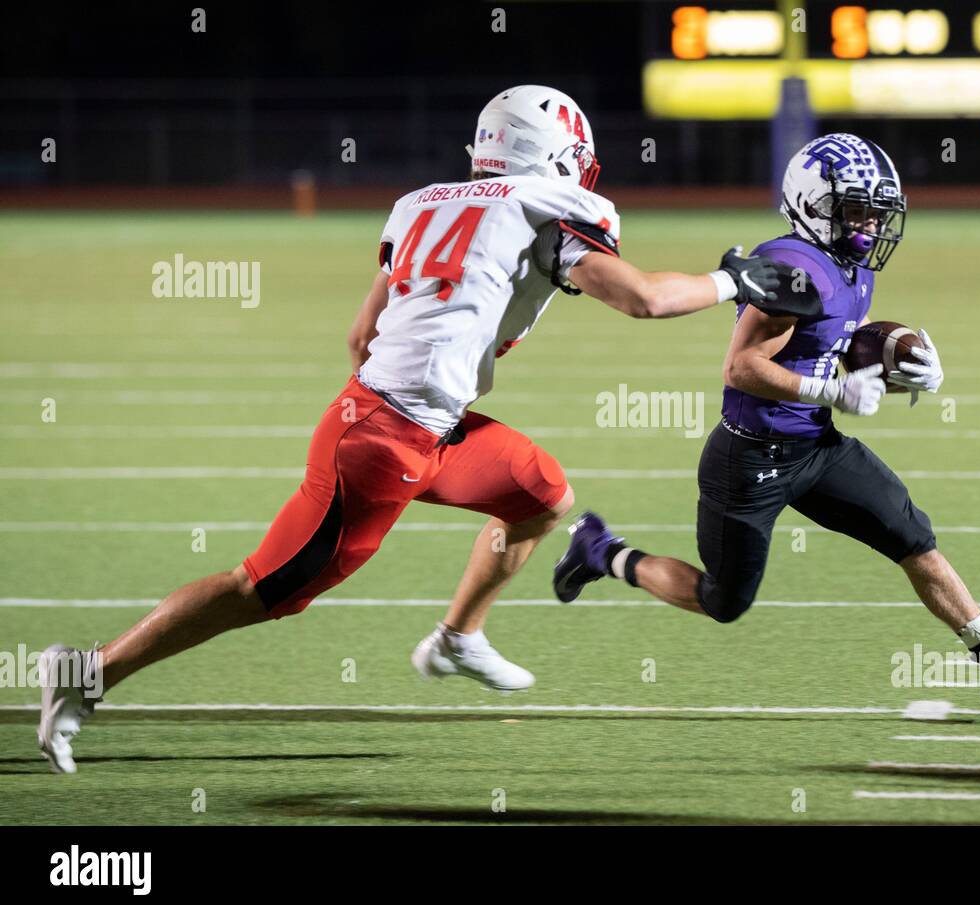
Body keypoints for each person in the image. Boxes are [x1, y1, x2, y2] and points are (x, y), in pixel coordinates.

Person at [34, 85, 805, 774]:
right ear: (556, 157)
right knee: (261, 589)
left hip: (410, 422)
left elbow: (361, 333)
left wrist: (427, 386)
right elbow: (641, 298)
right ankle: (90, 670)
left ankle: (457, 637)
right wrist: (728, 280)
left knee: (539, 492)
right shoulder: (550, 210)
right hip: (381, 442)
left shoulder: (424, 202)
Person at [552, 133, 980, 706]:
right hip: (750, 456)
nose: (871, 227)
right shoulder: (795, 269)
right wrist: (830, 389)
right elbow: (742, 368)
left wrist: (909, 369)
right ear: (813, 205)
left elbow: (844, 339)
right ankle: (601, 550)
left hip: (816, 447)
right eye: (857, 211)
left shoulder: (848, 264)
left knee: (914, 539)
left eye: (877, 214)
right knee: (724, 599)